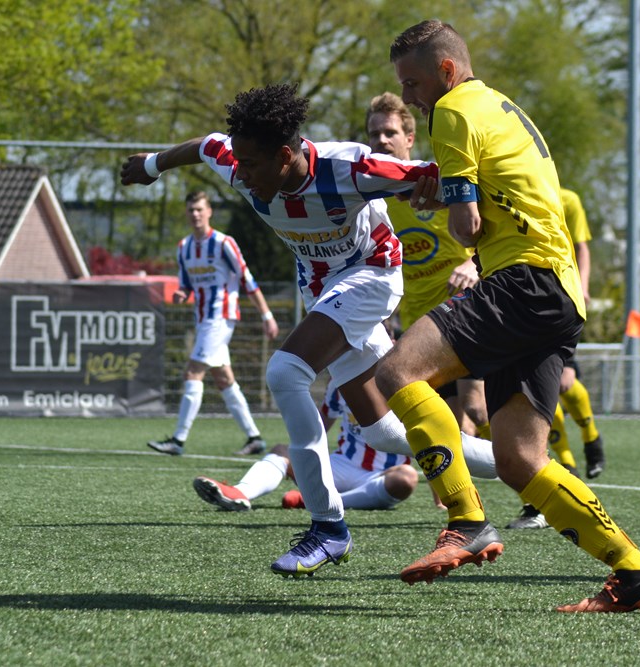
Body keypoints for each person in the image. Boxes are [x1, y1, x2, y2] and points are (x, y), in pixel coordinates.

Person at [376, 19, 640, 613]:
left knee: (397, 372)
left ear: (446, 71)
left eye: (412, 83)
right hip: (558, 292)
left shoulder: (452, 110)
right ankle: (636, 572)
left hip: (522, 281)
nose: (409, 96)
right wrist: (449, 190)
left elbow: (466, 228)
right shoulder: (499, 106)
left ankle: (465, 519)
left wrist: (444, 201)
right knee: (519, 459)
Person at [121, 82, 444, 577]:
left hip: (372, 276)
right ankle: (518, 466)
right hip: (326, 293)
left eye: (251, 164)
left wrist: (449, 198)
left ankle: (329, 529)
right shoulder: (241, 163)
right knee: (386, 433)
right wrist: (151, 166)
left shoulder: (349, 168)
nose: (241, 173)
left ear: (285, 156)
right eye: (239, 162)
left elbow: (436, 178)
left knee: (286, 371)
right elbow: (205, 146)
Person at [364, 92, 490, 438]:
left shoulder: (436, 181)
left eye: (390, 132)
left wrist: (473, 264)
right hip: (420, 323)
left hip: (464, 308)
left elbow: (488, 230)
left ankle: (536, 460)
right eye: (374, 134)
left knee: (476, 408)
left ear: (409, 138)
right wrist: (384, 316)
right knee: (449, 423)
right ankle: (484, 473)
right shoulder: (370, 200)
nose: (381, 140)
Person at [147, 191, 279, 457]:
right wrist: (182, 292)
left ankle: (178, 440)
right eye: (191, 210)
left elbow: (247, 280)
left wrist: (266, 315)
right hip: (203, 319)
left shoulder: (223, 243)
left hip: (220, 316)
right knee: (224, 379)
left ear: (209, 212)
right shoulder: (184, 247)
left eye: (200, 209)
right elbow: (186, 284)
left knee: (192, 372)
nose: (195, 214)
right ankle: (254, 437)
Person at [507, 188, 607, 529]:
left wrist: (582, 285)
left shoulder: (566, 198)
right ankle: (566, 466)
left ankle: (591, 439)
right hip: (513, 301)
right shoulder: (502, 189)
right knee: (527, 395)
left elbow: (581, 246)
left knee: (563, 382)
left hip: (557, 297)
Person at [193, 376, 418, 512]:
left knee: (406, 478)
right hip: (341, 465)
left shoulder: (409, 384)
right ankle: (240, 492)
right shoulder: (341, 380)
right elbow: (318, 428)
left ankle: (321, 501)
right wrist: (302, 460)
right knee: (282, 451)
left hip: (382, 475)